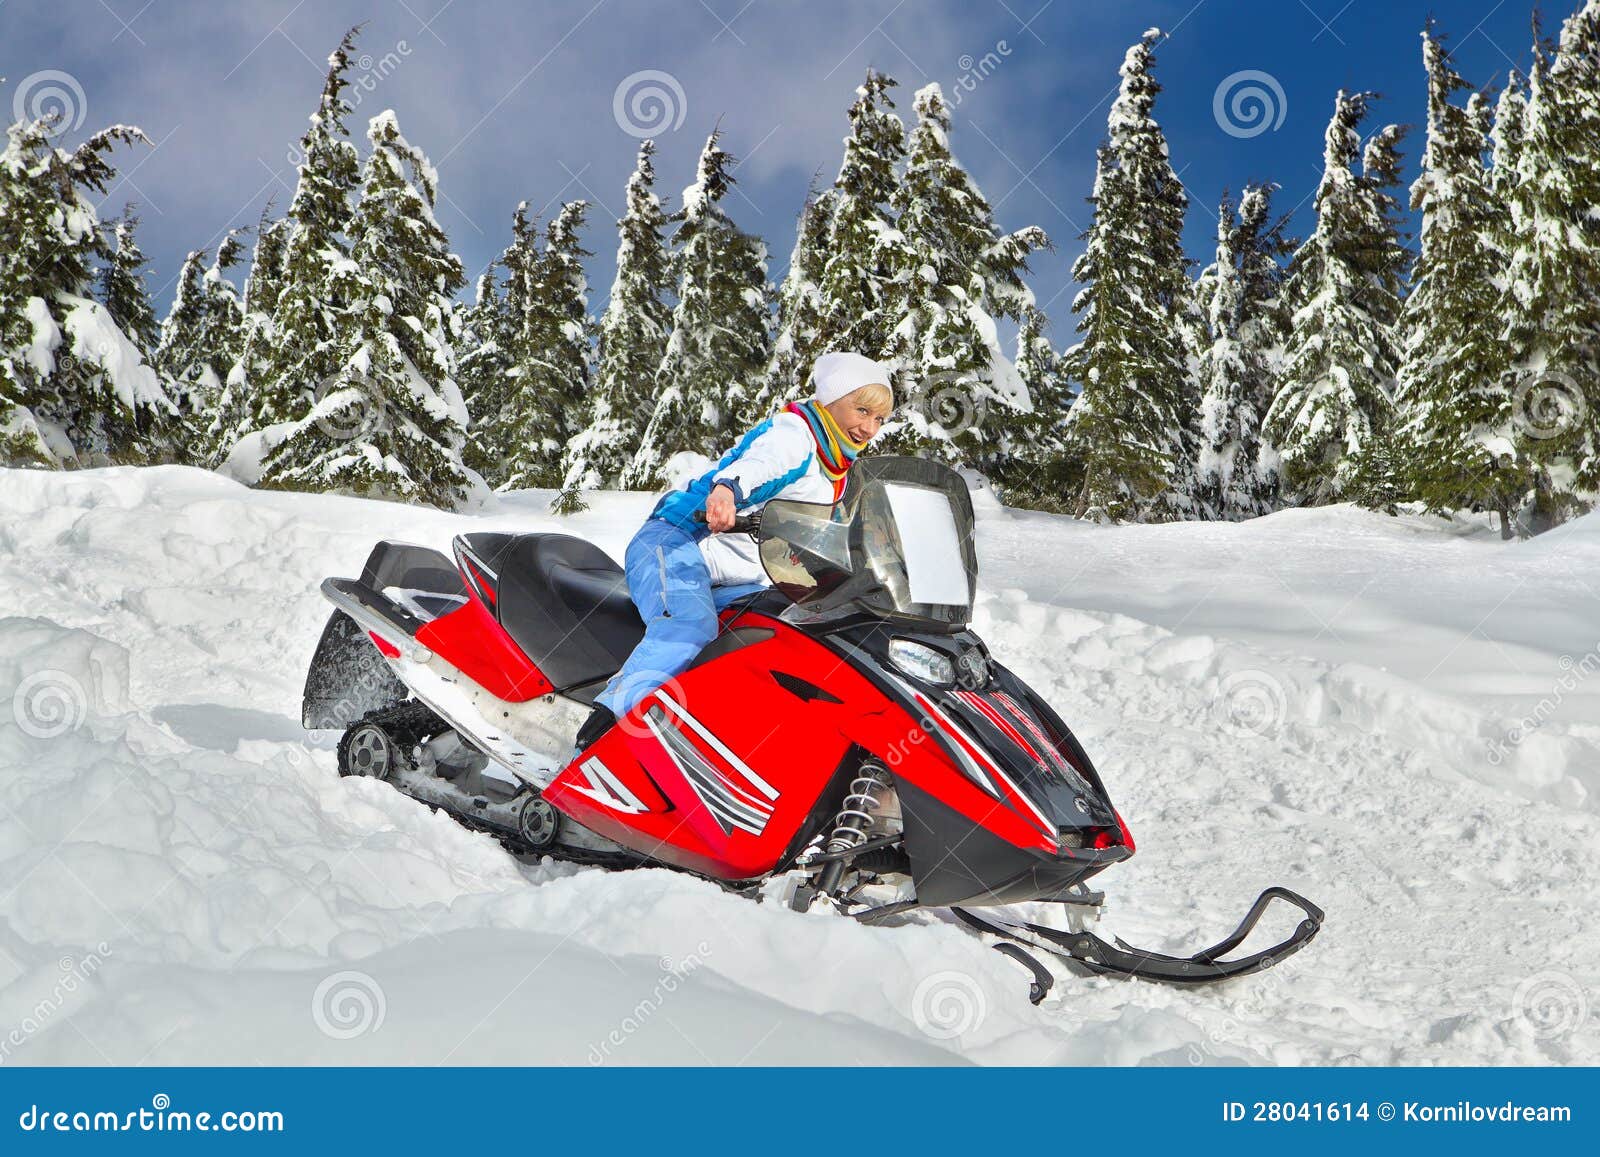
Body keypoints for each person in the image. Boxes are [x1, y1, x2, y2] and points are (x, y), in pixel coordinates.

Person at [576, 351, 894, 751]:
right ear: (830, 399)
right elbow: (760, 464)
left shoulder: (837, 468)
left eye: (879, 419)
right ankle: (604, 730)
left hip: (742, 577)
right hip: (678, 540)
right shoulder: (796, 435)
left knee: (772, 634)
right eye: (861, 410)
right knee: (690, 624)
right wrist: (727, 492)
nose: (868, 427)